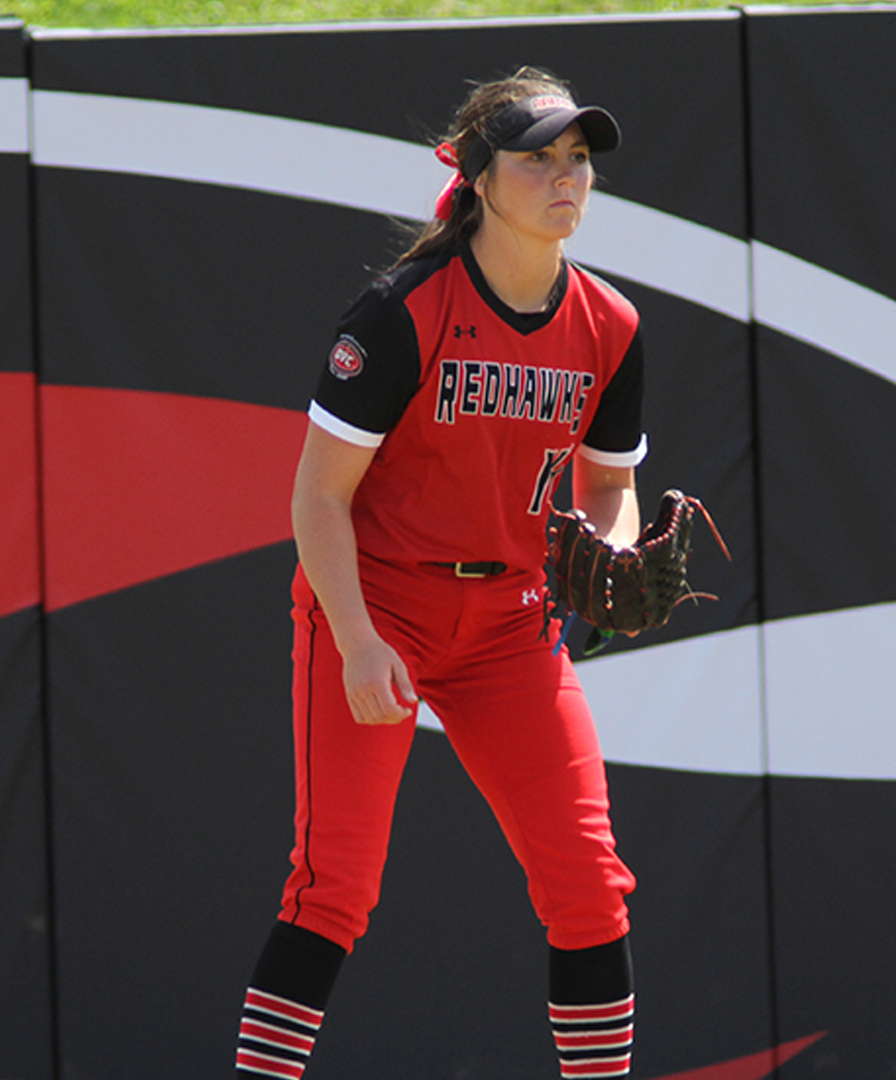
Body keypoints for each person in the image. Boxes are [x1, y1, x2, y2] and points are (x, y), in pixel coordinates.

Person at [235, 67, 646, 1080]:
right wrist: (361, 641)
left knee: (588, 883)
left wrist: (618, 548)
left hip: (511, 621)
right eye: (537, 157)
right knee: (333, 889)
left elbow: (608, 489)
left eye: (578, 157)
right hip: (379, 606)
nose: (566, 176)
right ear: (476, 177)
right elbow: (318, 501)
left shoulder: (611, 326)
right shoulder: (401, 314)